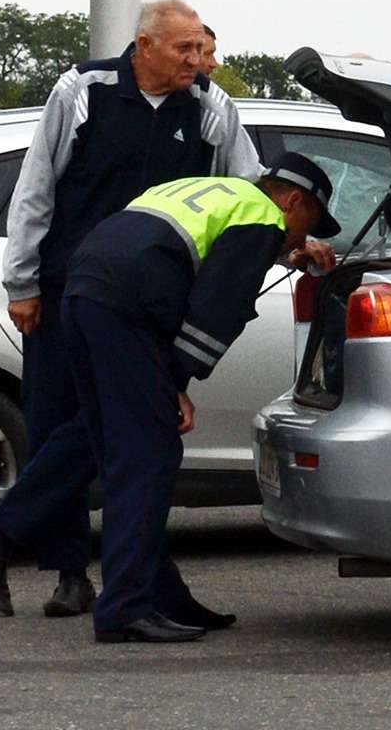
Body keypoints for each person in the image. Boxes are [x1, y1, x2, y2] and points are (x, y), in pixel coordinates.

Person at [0, 0, 265, 619]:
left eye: (201, 49)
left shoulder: (211, 107)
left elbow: (248, 189)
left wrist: (297, 238)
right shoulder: (85, 89)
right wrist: (22, 281)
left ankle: (18, 534)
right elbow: (36, 186)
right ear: (144, 46)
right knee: (61, 424)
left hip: (147, 299)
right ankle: (70, 574)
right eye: (184, 49)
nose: (197, 61)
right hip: (65, 287)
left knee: (114, 433)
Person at [64, 152, 340, 642]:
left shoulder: (211, 189)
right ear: (293, 201)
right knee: (149, 457)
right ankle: (125, 607)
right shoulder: (262, 216)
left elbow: (193, 245)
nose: (299, 237)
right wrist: (178, 383)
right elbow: (216, 312)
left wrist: (286, 255)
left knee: (125, 455)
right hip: (127, 309)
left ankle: (163, 596)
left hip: (85, 293)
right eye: (306, 225)